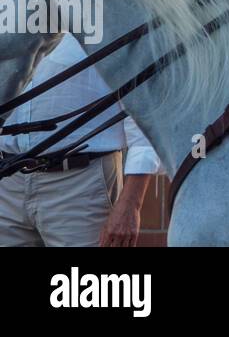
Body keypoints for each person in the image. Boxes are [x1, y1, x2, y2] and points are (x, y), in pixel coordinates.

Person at [0, 33, 162, 247]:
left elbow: (144, 109)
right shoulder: (11, 12)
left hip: (82, 187)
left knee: (84, 281)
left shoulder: (105, 14)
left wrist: (132, 202)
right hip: (7, 186)